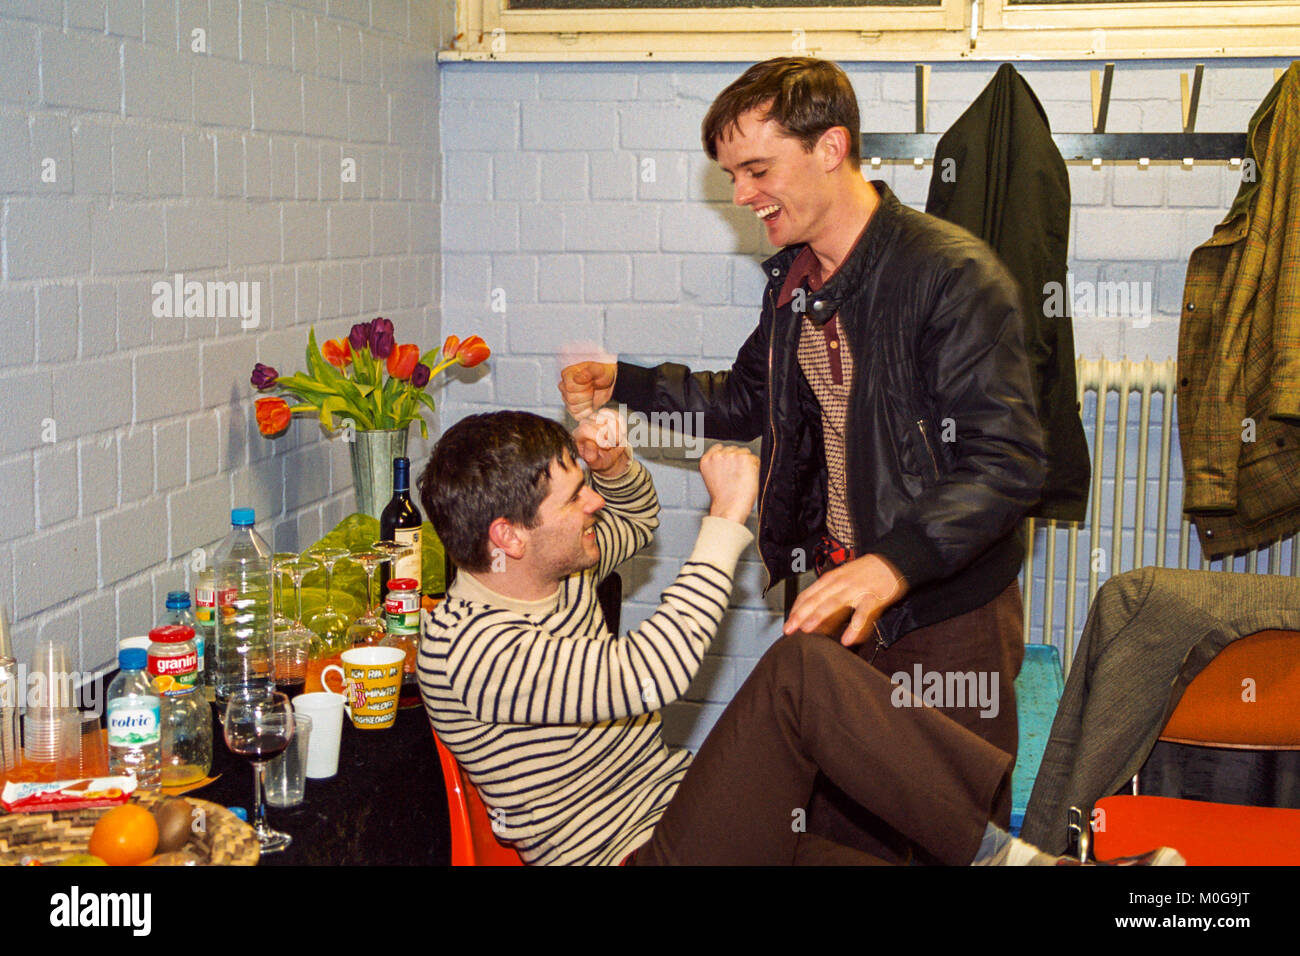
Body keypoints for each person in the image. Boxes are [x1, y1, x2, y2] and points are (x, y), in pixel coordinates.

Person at [558, 58, 1046, 838]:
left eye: (757, 169)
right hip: (835, 599)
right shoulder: (797, 282)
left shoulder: (950, 274)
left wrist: (893, 563)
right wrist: (628, 380)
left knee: (950, 833)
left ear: (831, 147)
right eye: (731, 175)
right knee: (837, 834)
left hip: (942, 607)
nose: (743, 195)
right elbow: (750, 398)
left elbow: (1010, 461)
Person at [414, 410, 1179, 866]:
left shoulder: (552, 568)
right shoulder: (471, 648)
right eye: (575, 496)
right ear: (507, 536)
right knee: (801, 672)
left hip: (682, 815)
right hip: (634, 858)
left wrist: (613, 469)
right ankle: (1009, 857)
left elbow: (633, 521)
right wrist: (725, 522)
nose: (591, 508)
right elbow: (651, 677)